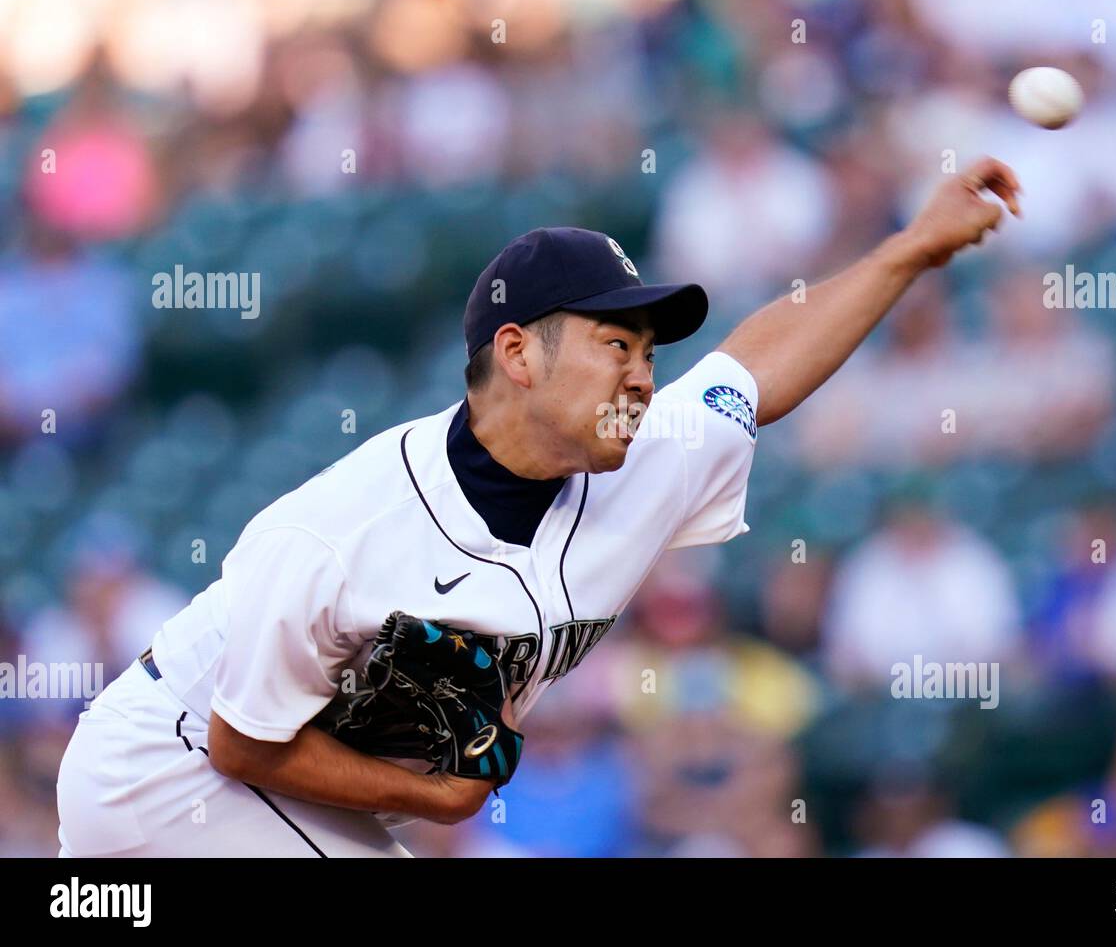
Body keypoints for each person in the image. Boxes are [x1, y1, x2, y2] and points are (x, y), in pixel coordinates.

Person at [55, 158, 1022, 857]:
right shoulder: (340, 530)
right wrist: (435, 799)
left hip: (285, 785)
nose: (644, 377)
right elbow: (243, 741)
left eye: (650, 352)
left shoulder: (650, 456)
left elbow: (756, 363)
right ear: (518, 355)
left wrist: (911, 249)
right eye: (616, 344)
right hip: (172, 766)